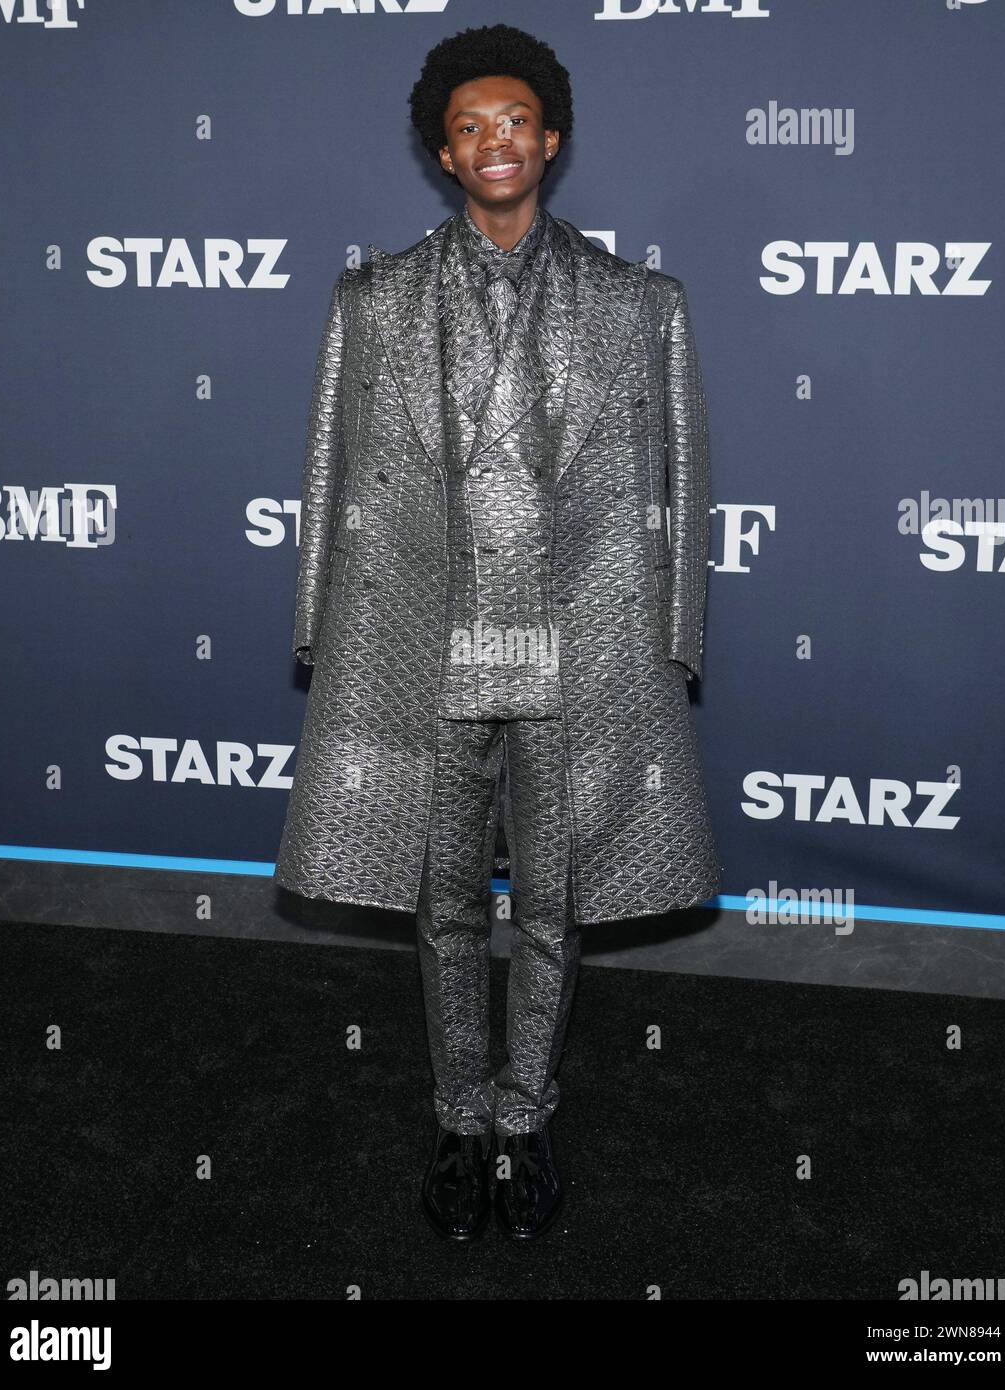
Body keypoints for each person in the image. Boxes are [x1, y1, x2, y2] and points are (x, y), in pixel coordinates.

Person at [275, 23, 721, 1243]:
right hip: (426, 638)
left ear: (552, 136)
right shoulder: (371, 299)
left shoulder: (641, 304)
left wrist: (675, 632)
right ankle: (458, 1116)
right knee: (443, 903)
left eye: (513, 119)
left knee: (554, 904)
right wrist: (321, 621)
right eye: (468, 124)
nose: (493, 141)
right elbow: (331, 470)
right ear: (440, 148)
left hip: (582, 635)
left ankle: (526, 1115)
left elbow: (682, 486)